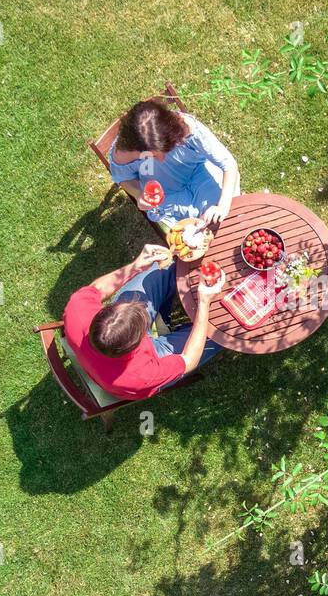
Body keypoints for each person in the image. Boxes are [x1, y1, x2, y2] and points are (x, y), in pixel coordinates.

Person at [63, 244, 225, 400]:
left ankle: (169, 316)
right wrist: (204, 302)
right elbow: (188, 361)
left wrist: (136, 265)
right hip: (150, 361)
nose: (140, 305)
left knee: (162, 268)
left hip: (110, 358)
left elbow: (97, 289)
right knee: (217, 334)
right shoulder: (142, 375)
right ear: (141, 339)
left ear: (103, 313)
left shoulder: (77, 312)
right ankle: (190, 324)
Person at [107, 99, 240, 228]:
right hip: (165, 195)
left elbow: (228, 163)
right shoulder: (124, 153)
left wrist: (222, 206)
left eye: (167, 150)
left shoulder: (186, 127)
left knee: (229, 217)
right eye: (151, 156)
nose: (161, 160)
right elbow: (123, 179)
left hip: (199, 174)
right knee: (190, 238)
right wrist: (138, 194)